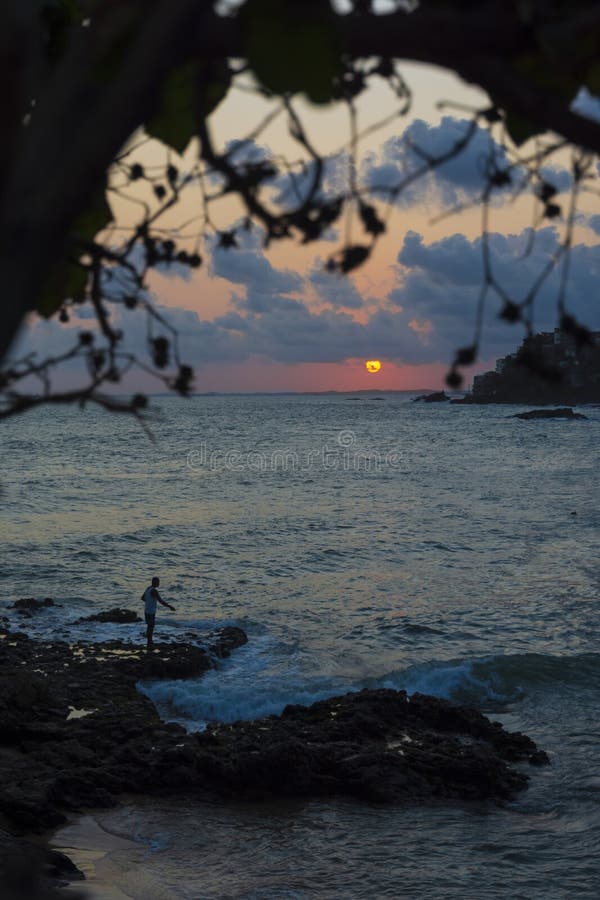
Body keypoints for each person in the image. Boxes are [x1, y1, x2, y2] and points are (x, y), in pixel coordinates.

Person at [141, 576, 175, 652]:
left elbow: (142, 598)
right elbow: (161, 601)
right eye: (158, 582)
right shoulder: (154, 591)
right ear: (155, 582)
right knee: (151, 627)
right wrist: (170, 607)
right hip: (151, 611)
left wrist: (149, 602)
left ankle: (149, 642)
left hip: (147, 610)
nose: (159, 583)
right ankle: (149, 643)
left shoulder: (148, 588)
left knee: (149, 627)